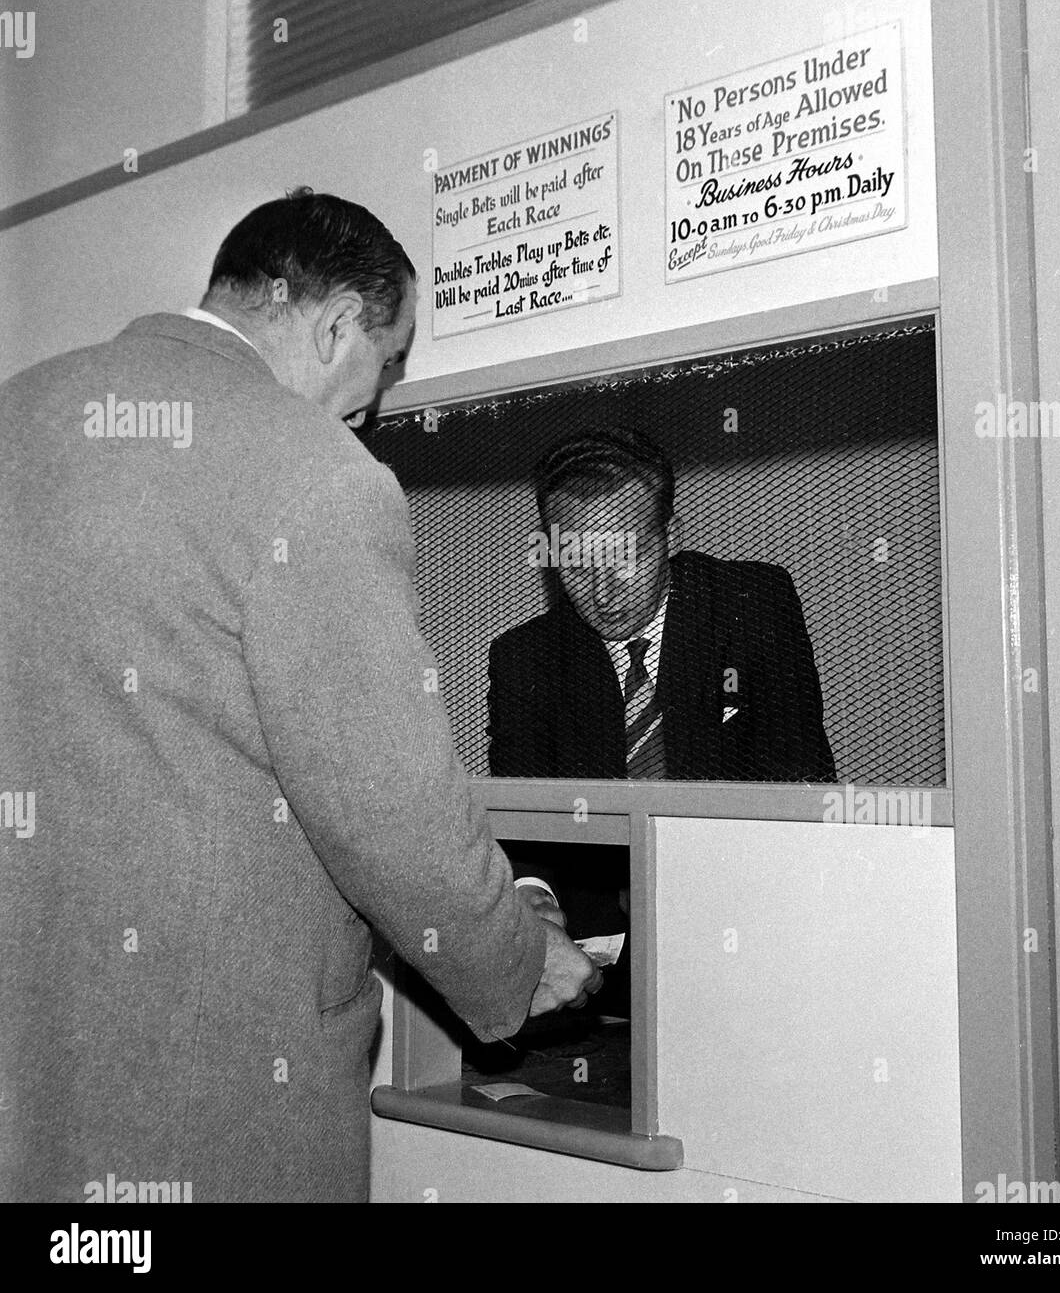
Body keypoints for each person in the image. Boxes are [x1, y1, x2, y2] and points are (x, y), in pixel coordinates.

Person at [0, 188, 599, 1204]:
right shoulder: (317, 474)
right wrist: (516, 961)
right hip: (205, 1095)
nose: (369, 419)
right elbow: (388, 812)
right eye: (375, 380)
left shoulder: (20, 413)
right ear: (331, 327)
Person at [487, 426, 835, 954]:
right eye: (577, 563)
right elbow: (519, 817)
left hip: (749, 917)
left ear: (668, 531)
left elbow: (800, 784)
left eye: (626, 556)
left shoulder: (751, 606)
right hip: (594, 948)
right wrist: (531, 893)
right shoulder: (525, 658)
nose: (604, 593)